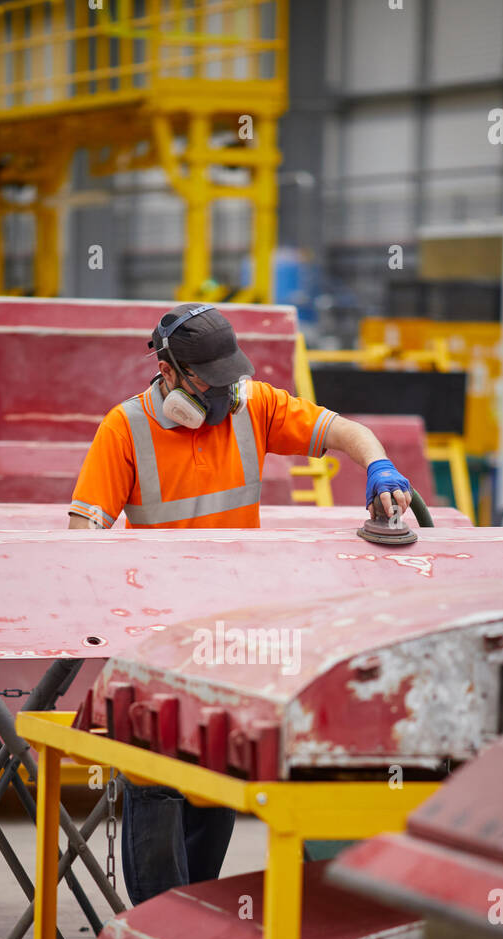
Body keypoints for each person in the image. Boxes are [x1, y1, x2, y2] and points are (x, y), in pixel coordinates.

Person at [68, 303, 412, 905]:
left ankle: (195, 919)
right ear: (168, 371)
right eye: (209, 381)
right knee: (154, 784)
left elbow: (344, 432)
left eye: (230, 377)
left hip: (228, 643)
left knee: (215, 782)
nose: (225, 393)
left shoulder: (253, 408)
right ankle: (157, 929)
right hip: (156, 644)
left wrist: (379, 464)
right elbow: (82, 542)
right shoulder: (124, 430)